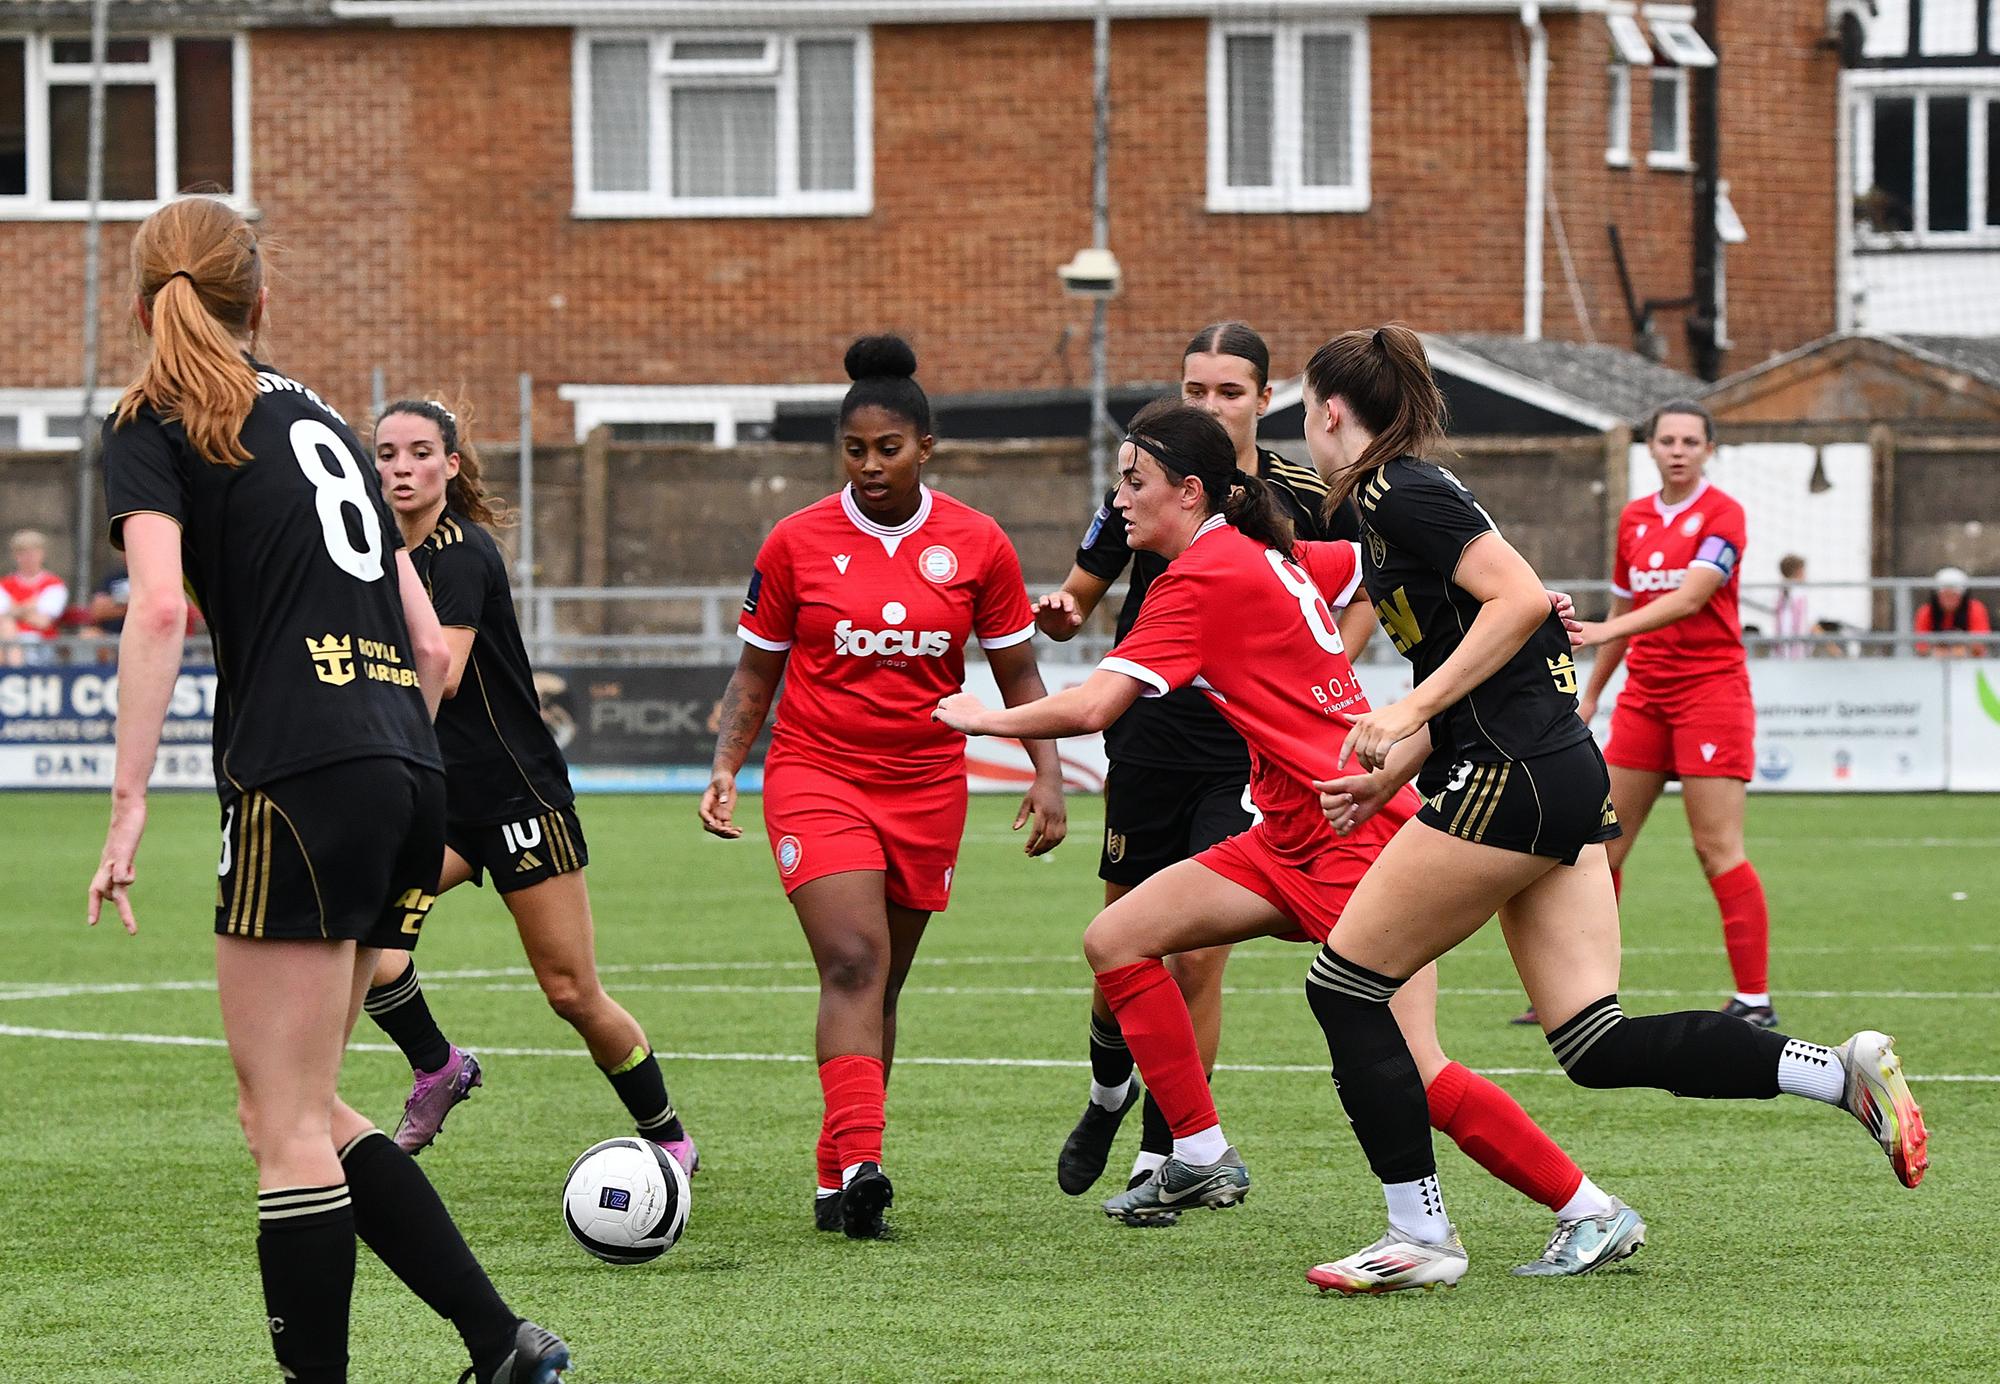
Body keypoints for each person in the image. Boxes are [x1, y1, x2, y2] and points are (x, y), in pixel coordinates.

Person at [937, 399, 1645, 1277]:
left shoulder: (1203, 576)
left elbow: (1092, 708)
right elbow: (1385, 568)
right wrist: (1535, 605)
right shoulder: (1262, 548)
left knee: (1416, 1069)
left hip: (1354, 828)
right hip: (1282, 834)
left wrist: (979, 716)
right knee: (1116, 939)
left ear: (1189, 493)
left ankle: (1588, 1206)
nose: (1117, 499)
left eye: (1134, 481)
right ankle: (1197, 1152)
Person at [1285, 325, 1925, 1294]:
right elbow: (1496, 655)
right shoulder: (1402, 496)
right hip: (1553, 768)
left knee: (1344, 986)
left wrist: (1409, 708)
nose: (1302, 423)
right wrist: (1398, 761)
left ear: (1329, 411)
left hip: (1513, 777)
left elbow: (1519, 605)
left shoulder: (1400, 493)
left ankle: (1417, 1233)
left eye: (1301, 407)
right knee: (1591, 1040)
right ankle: (1835, 1073)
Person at [86, 197, 567, 1382]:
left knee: (285, 1126)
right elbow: (428, 639)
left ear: (145, 304)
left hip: (303, 776)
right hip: (405, 770)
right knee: (298, 1109)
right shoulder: (328, 421)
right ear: (264, 300)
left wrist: (128, 797)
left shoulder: (155, 414)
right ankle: (501, 1342)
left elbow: (156, 605)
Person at [700, 335, 1068, 1239]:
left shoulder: (977, 542)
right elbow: (756, 678)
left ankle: (836, 1180)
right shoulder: (795, 543)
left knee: (882, 985)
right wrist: (725, 766)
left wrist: (1048, 773)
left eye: (888, 449)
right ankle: (867, 1160)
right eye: (855, 451)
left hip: (928, 783)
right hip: (816, 773)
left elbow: (1019, 677)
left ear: (926, 447)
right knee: (854, 959)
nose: (870, 467)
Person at [1038, 322, 1374, 1213]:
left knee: (1199, 961)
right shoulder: (1142, 486)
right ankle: (1111, 1095)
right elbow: (1080, 594)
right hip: (1148, 742)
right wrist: (1062, 616)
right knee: (1120, 944)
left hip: (1245, 755)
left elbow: (1375, 575)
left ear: (1268, 401)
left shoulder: (1296, 495)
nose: (1212, 405)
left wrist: (1320, 667)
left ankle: (1172, 1153)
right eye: (1197, 390)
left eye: (1230, 391)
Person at [359, 398, 695, 1173]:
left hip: (518, 800)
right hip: (438, 806)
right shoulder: (376, 556)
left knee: (572, 992)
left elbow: (433, 675)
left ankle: (668, 1136)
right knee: (364, 940)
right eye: (386, 454)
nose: (401, 467)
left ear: (450, 463)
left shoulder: (462, 553)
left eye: (418, 452)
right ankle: (438, 1065)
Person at [1550, 401, 1777, 1029]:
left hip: (1711, 693)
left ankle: (1755, 999)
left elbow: (1691, 597)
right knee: (1604, 848)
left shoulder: (1723, 513)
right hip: (1645, 698)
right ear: (1649, 447)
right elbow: (1628, 608)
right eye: (1666, 440)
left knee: (1717, 848)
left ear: (1709, 449)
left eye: (1690, 441)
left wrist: (1601, 631)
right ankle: (1588, 995)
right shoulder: (1636, 518)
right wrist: (1594, 691)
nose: (1678, 450)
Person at [3, 528, 68, 664]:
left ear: (42, 554)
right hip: (8, 640)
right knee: (6, 627)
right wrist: (31, 606)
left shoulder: (54, 584)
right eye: (23, 553)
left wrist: (15, 609)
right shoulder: (4, 584)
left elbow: (44, 622)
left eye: (33, 553)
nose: (29, 558)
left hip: (42, 644)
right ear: (16, 556)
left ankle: (16, 671)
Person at [1913, 566, 1991, 657]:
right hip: (1933, 663)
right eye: (1945, 595)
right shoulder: (1926, 612)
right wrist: (1937, 651)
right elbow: (1920, 647)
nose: (1949, 599)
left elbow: (1980, 646)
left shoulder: (1975, 609)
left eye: (1953, 595)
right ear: (1937, 595)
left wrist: (1961, 650)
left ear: (1963, 596)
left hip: (1969, 662)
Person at [1773, 553, 1810, 658]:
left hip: (1786, 649)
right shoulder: (1797, 594)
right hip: (1794, 651)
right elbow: (1788, 623)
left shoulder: (1781, 592)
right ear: (1798, 572)